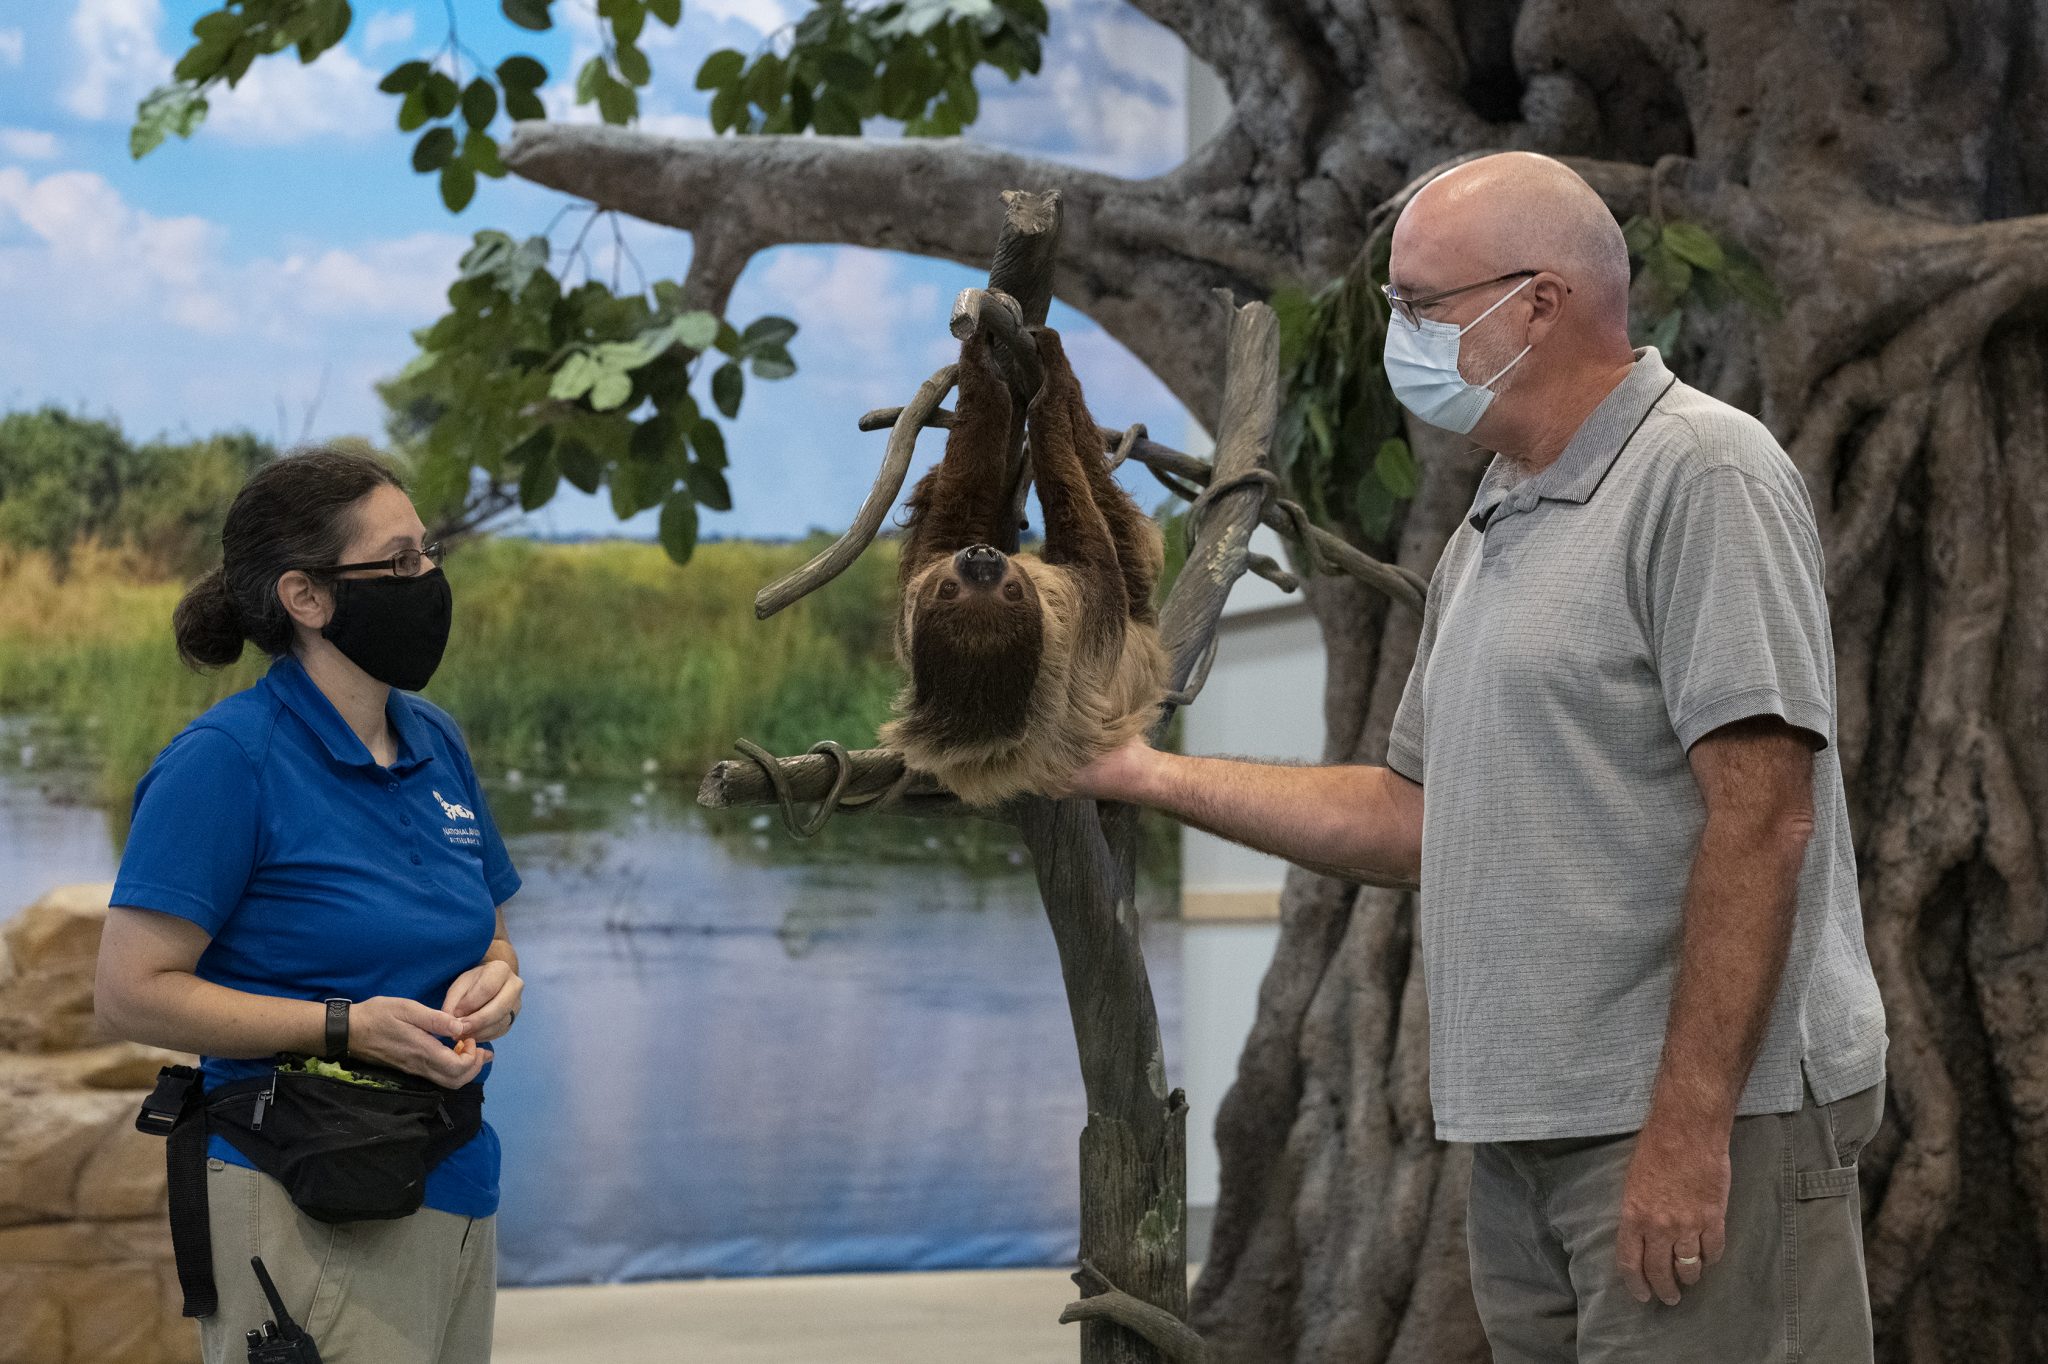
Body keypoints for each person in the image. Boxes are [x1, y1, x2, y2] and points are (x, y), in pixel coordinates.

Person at [1068, 153, 1888, 1362]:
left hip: (1693, 1124)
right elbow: (1415, 814)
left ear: (1539, 303)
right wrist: (1137, 771)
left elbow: (1764, 816)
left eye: (1418, 304)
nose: (1397, 333)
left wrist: (1685, 1125)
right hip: (1530, 1134)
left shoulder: (1701, 472)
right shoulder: (1496, 514)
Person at [94, 448, 523, 1364]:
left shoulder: (435, 740)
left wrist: (499, 983)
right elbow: (128, 993)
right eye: (399, 562)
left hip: (454, 1183)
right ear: (307, 597)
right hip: (301, 1201)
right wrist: (344, 1026)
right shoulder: (226, 760)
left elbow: (491, 934)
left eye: (429, 553)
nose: (429, 579)